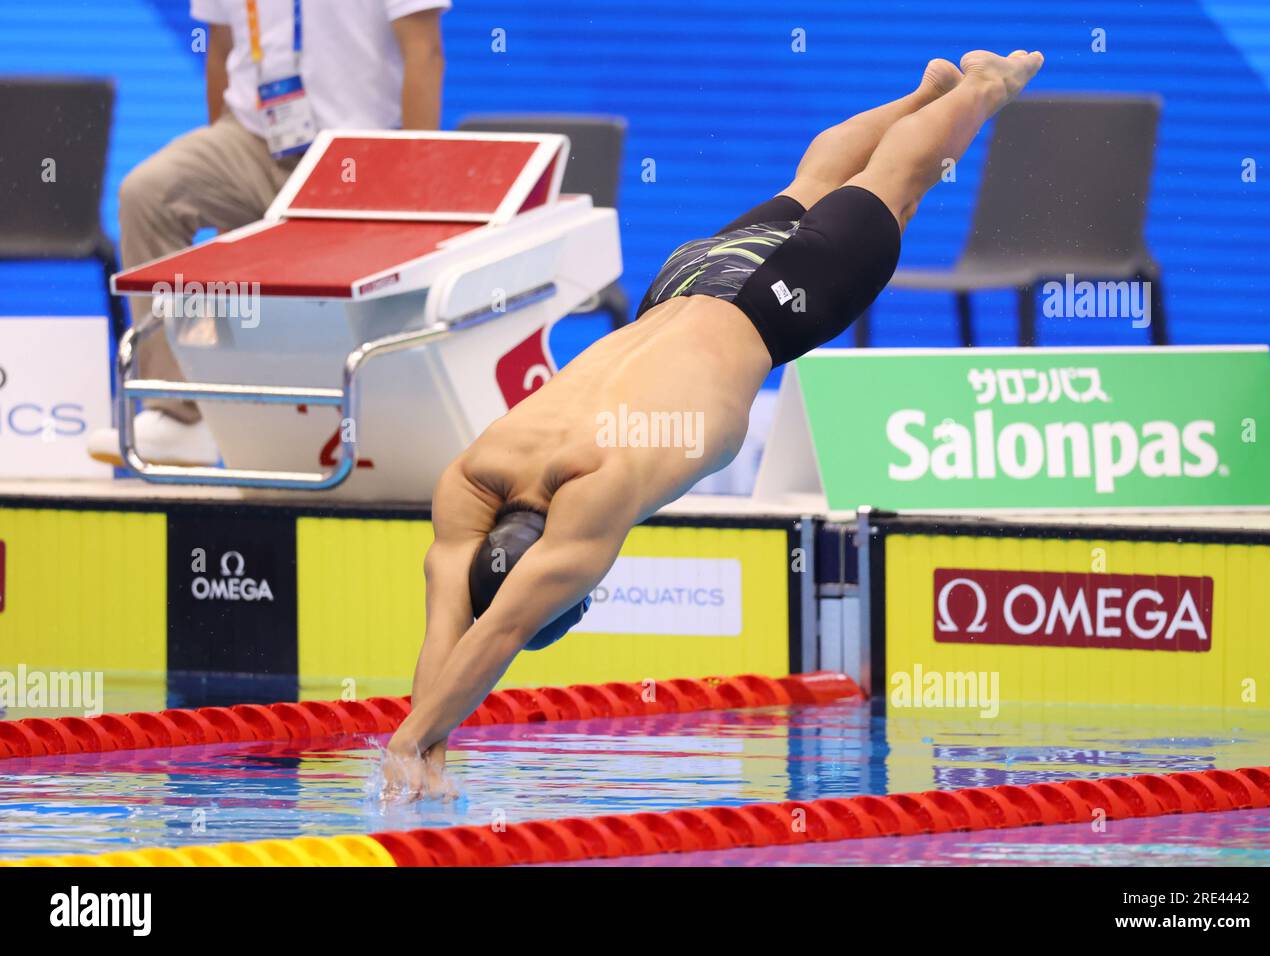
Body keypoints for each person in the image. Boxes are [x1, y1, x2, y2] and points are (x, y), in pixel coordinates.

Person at [382, 50, 1045, 800]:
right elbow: (453, 620)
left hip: (768, 315)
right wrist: (424, 752)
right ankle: (926, 92)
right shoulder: (474, 470)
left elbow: (495, 632)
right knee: (811, 186)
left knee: (893, 190)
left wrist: (407, 744)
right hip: (681, 283)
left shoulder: (599, 492)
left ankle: (988, 86)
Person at [88, 0, 450, 467]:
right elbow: (220, 50)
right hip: (251, 139)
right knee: (148, 193)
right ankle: (181, 418)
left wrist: (414, 176)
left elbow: (425, 51)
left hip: (356, 150)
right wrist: (222, 187)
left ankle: (392, 427)